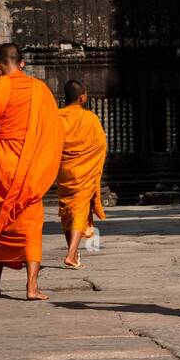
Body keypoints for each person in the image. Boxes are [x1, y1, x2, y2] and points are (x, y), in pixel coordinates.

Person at [0, 43, 63, 300]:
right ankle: (32, 287)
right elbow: (53, 131)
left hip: (1, 166)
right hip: (30, 167)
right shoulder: (40, 90)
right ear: (21, 62)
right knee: (31, 225)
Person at [56, 80, 107, 269]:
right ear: (82, 97)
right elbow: (101, 145)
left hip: (64, 172)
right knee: (79, 211)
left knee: (66, 212)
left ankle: (74, 252)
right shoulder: (90, 118)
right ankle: (70, 254)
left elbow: (50, 142)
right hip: (84, 172)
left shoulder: (56, 117)